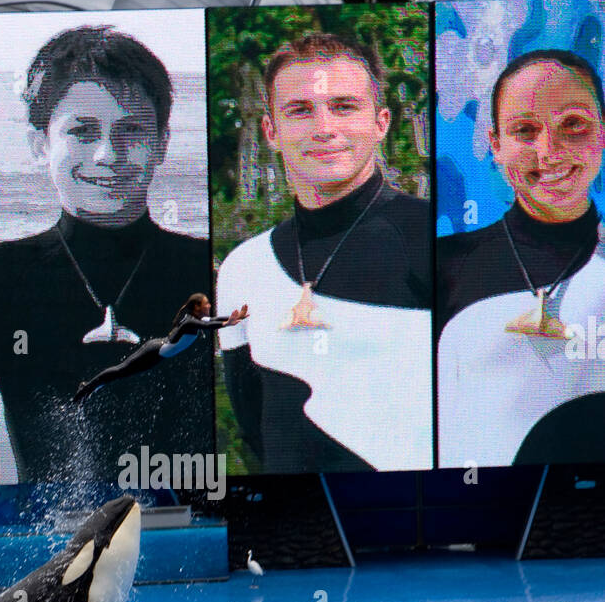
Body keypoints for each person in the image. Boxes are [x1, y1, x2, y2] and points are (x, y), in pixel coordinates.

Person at [0, 24, 213, 482]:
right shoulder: (6, 275)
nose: (108, 155)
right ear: (38, 145)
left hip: (195, 513)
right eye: (84, 132)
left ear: (163, 144)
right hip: (53, 527)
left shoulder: (210, 268)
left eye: (132, 132)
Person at [216, 31, 432, 474]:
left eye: (344, 106)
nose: (324, 128)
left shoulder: (434, 240)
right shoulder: (243, 268)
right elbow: (257, 426)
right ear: (271, 131)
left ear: (381, 122)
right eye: (300, 111)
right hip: (294, 526)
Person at [437, 48, 605, 467]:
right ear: (495, 145)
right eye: (525, 130)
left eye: (573, 125)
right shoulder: (442, 268)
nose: (548, 152)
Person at [74, 294, 248, 403]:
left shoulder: (199, 320)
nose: (209, 306)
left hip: (158, 355)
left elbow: (213, 321)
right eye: (205, 304)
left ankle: (92, 389)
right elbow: (211, 325)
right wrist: (228, 323)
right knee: (121, 370)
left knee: (123, 373)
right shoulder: (190, 321)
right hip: (155, 350)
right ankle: (86, 388)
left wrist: (234, 318)